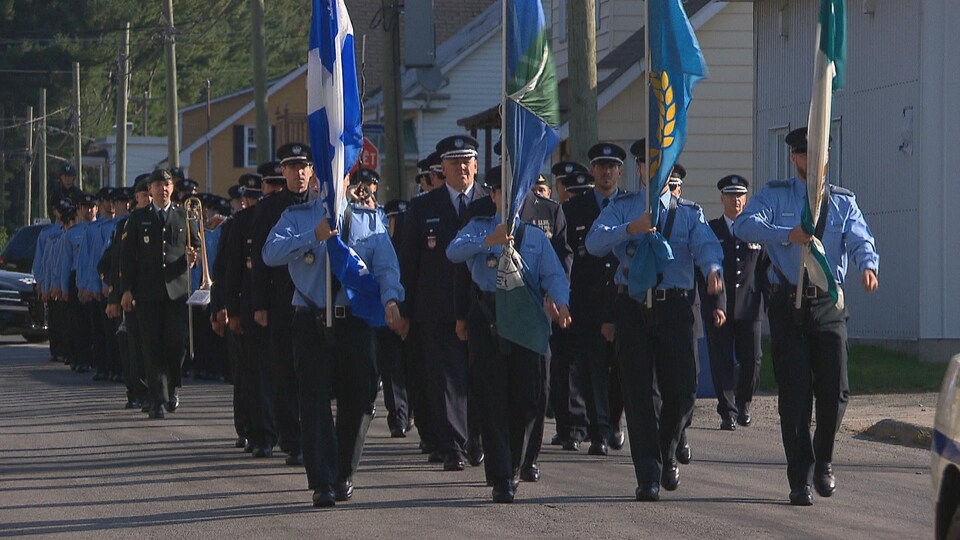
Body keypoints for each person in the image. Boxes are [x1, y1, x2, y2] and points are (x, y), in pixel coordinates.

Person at [734, 126, 879, 506]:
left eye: (816, 154)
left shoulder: (843, 201)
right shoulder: (776, 195)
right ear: (794, 158)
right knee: (795, 395)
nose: (809, 161)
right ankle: (799, 478)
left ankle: (823, 460)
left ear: (826, 157)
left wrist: (868, 265)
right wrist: (788, 233)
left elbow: (860, 238)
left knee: (836, 389)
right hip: (787, 303)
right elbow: (743, 225)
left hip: (827, 302)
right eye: (802, 154)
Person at [586, 157, 724, 502]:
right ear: (639, 168)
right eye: (650, 163)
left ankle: (667, 449)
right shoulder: (624, 207)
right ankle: (647, 475)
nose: (656, 170)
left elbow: (706, 244)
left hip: (674, 306)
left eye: (663, 163)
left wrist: (711, 269)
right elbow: (594, 242)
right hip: (632, 306)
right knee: (638, 394)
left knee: (683, 389)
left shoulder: (688, 212)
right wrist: (630, 228)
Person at [262, 178, 405, 507]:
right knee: (314, 403)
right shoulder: (296, 216)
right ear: (313, 183)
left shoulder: (368, 220)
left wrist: (392, 299)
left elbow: (386, 267)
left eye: (334, 175)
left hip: (354, 321)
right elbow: (270, 253)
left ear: (346, 181)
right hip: (311, 320)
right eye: (319, 177)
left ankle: (343, 472)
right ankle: (322, 481)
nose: (324, 183)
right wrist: (314, 235)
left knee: (360, 397)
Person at [446, 165, 571, 503]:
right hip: (488, 319)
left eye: (516, 192)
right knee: (492, 397)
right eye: (502, 191)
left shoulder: (534, 237)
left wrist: (561, 303)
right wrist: (489, 240)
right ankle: (502, 476)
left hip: (525, 320)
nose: (509, 198)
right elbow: (453, 251)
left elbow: (554, 275)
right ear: (494, 195)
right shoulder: (478, 227)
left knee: (526, 398)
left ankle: (514, 463)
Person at [398, 134, 494, 471]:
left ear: (477, 165)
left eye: (467, 161)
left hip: (482, 306)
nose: (462, 168)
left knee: (481, 376)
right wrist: (405, 310)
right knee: (446, 379)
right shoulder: (424, 206)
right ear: (443, 168)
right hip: (436, 308)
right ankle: (453, 445)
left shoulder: (491, 202)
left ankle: (478, 438)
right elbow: (409, 262)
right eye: (454, 163)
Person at [559, 143, 629, 457]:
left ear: (620, 171)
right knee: (593, 370)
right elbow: (567, 254)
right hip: (587, 303)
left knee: (622, 371)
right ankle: (599, 431)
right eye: (600, 165)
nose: (606, 171)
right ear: (592, 170)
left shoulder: (630, 206)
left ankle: (613, 423)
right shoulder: (575, 208)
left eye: (612, 166)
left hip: (622, 300)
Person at [118, 169, 200, 418]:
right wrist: (127, 290)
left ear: (172, 188)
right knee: (151, 347)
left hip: (176, 292)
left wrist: (192, 259)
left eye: (167, 185)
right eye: (158, 185)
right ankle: (156, 400)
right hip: (148, 293)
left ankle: (173, 386)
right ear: (150, 190)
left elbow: (195, 245)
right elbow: (127, 258)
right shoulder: (138, 218)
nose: (163, 189)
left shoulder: (183, 215)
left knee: (176, 344)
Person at [250, 147, 313, 465]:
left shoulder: (322, 205)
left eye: (304, 167)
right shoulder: (270, 208)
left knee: (312, 372)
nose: (299, 173)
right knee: (284, 373)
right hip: (281, 301)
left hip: (315, 302)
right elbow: (260, 262)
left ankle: (313, 433)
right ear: (284, 172)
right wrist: (259, 303)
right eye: (293, 168)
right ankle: (293, 439)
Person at [697, 174, 768, 431]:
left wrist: (767, 302)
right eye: (730, 195)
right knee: (721, 359)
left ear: (745, 198)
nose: (735, 201)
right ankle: (727, 410)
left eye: (739, 196)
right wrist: (712, 301)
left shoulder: (756, 229)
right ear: (722, 198)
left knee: (753, 359)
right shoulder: (711, 230)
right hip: (720, 308)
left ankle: (744, 403)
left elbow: (764, 269)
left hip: (750, 306)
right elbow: (703, 271)